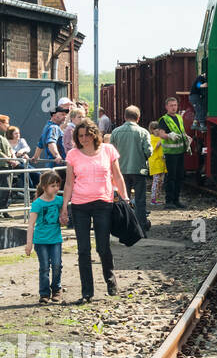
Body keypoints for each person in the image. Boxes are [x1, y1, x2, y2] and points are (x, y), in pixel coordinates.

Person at [60, 121, 127, 304]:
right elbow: (69, 183)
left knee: (103, 246)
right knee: (83, 250)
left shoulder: (107, 150)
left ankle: (110, 280)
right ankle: (87, 292)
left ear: (94, 135)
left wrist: (125, 197)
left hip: (103, 203)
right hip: (80, 205)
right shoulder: (73, 154)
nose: (84, 139)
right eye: (80, 136)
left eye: (87, 135)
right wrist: (65, 206)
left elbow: (117, 175)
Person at [113, 105, 153, 236]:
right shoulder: (143, 132)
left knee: (123, 200)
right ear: (138, 118)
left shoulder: (116, 132)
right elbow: (148, 151)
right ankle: (141, 229)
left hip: (121, 171)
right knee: (140, 200)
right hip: (139, 170)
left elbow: (111, 152)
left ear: (125, 117)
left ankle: (125, 229)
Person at [25, 170, 64, 304]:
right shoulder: (37, 203)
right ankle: (44, 293)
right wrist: (29, 243)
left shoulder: (60, 200)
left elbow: (64, 218)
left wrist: (64, 220)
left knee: (57, 264)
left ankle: (57, 290)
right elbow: (31, 225)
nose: (56, 188)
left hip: (56, 239)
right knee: (44, 267)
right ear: (44, 186)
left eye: (57, 185)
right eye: (52, 185)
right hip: (41, 241)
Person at [156, 97, 188, 209]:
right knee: (171, 177)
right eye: (171, 105)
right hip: (170, 152)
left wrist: (186, 138)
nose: (174, 107)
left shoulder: (179, 118)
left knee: (179, 176)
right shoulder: (164, 119)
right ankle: (169, 201)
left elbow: (181, 132)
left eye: (175, 105)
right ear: (166, 107)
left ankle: (176, 200)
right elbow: (161, 133)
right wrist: (169, 135)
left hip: (180, 151)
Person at [147, 122, 167, 204]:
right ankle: (153, 199)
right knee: (156, 180)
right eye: (156, 130)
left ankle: (157, 198)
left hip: (162, 162)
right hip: (155, 162)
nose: (158, 132)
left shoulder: (160, 138)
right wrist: (159, 142)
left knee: (161, 181)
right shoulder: (150, 138)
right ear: (152, 130)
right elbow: (153, 148)